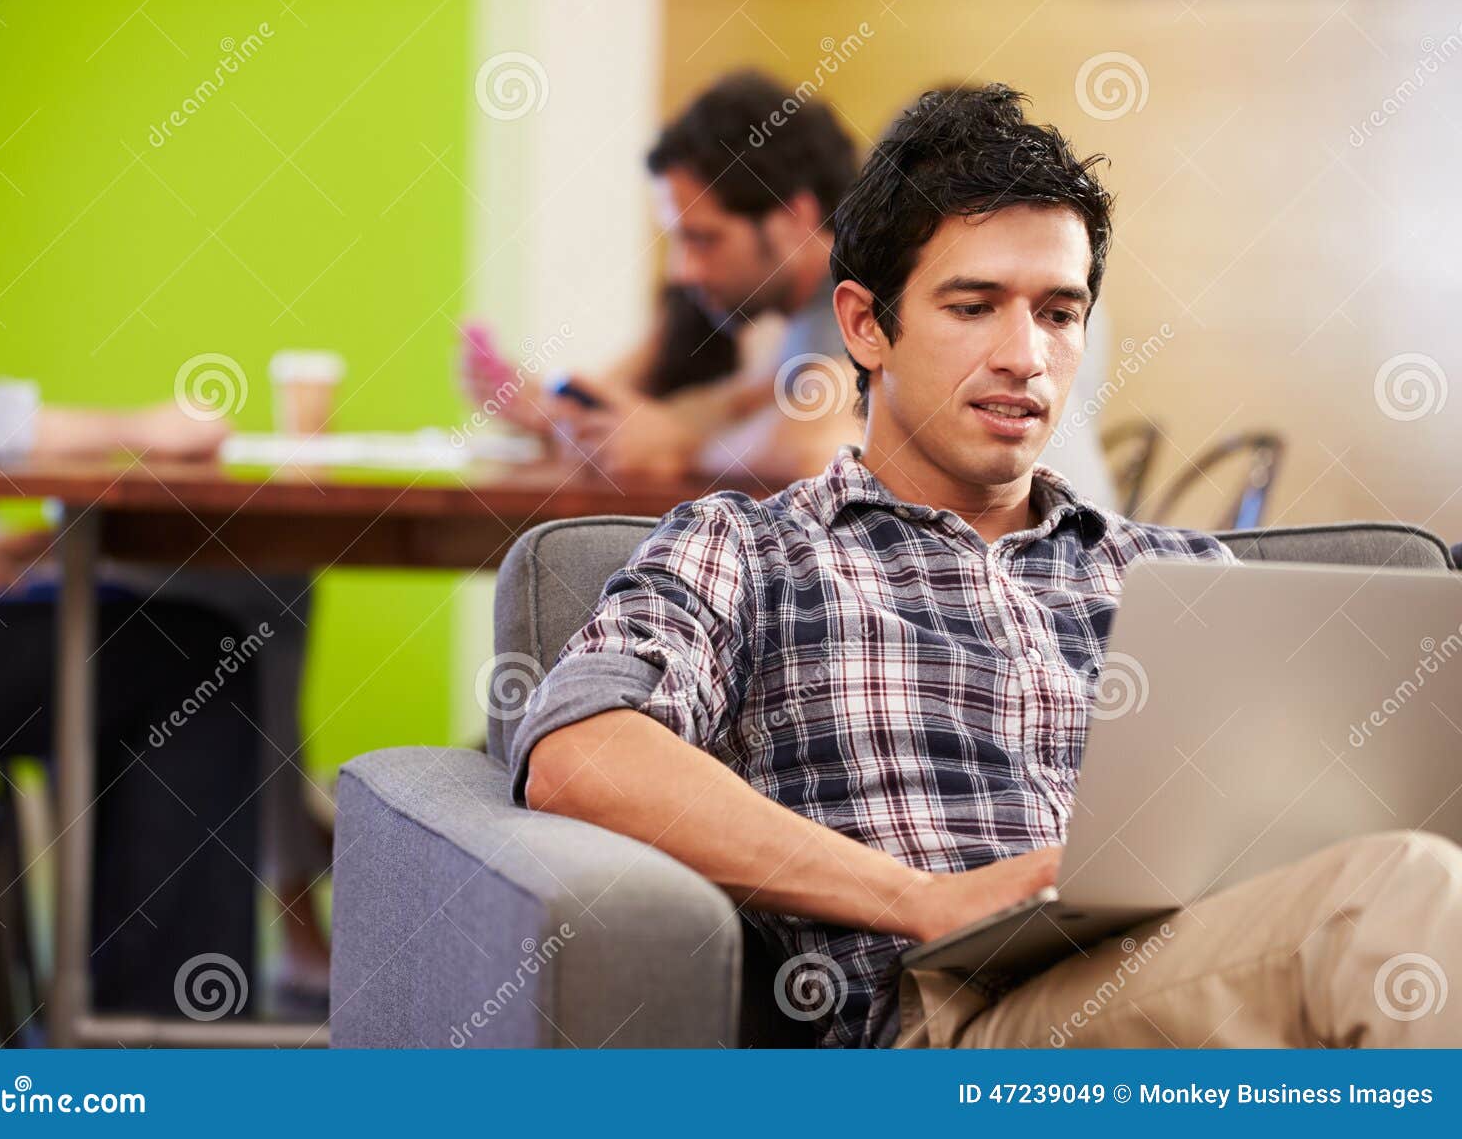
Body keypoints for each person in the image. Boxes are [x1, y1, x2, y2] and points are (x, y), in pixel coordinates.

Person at [508, 86, 1462, 1048]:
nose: (1026, 357)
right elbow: (578, 750)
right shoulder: (752, 549)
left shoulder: (1182, 572)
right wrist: (922, 899)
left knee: (1407, 887)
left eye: (1058, 313)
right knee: (1405, 895)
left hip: (1221, 973)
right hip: (959, 1022)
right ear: (867, 325)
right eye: (974, 307)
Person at [0, 156, 261, 1018]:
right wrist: (147, 426)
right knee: (192, 655)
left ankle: (127, 1012)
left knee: (154, 648)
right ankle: (156, 1022)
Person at [459, 71, 860, 482]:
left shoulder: (859, 303)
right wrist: (568, 419)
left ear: (796, 217)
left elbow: (823, 445)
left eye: (704, 239)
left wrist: (684, 449)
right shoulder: (801, 321)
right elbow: (737, 409)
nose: (682, 271)